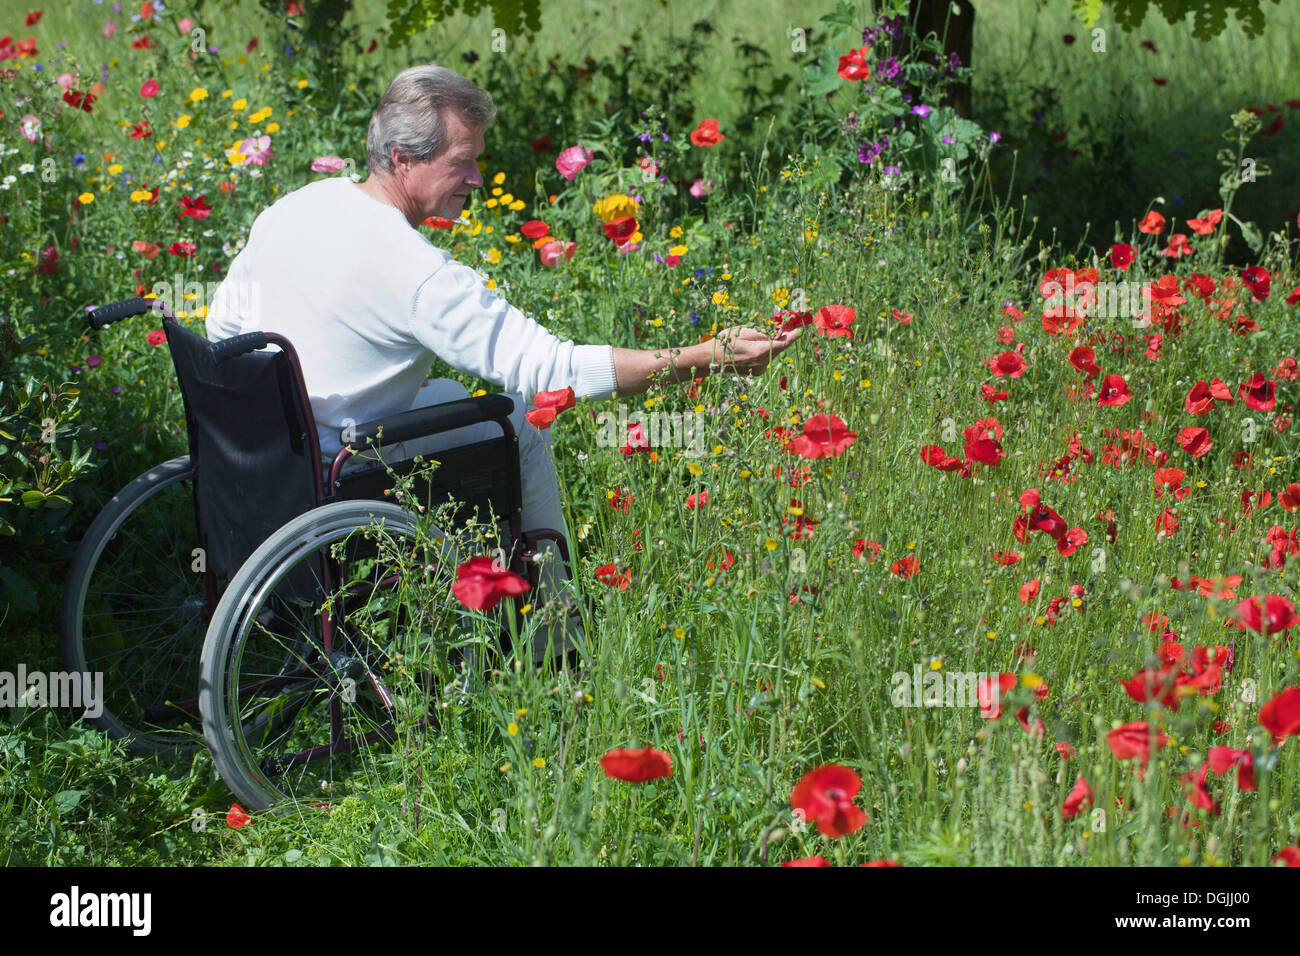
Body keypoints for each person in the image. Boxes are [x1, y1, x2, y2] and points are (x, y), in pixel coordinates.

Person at [206, 64, 800, 664]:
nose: (477, 177)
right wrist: (703, 357)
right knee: (515, 420)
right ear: (402, 158)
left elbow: (223, 329)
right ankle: (555, 640)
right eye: (462, 161)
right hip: (343, 468)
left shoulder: (299, 206)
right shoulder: (417, 274)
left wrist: (301, 407)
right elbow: (552, 369)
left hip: (264, 458)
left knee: (459, 399)